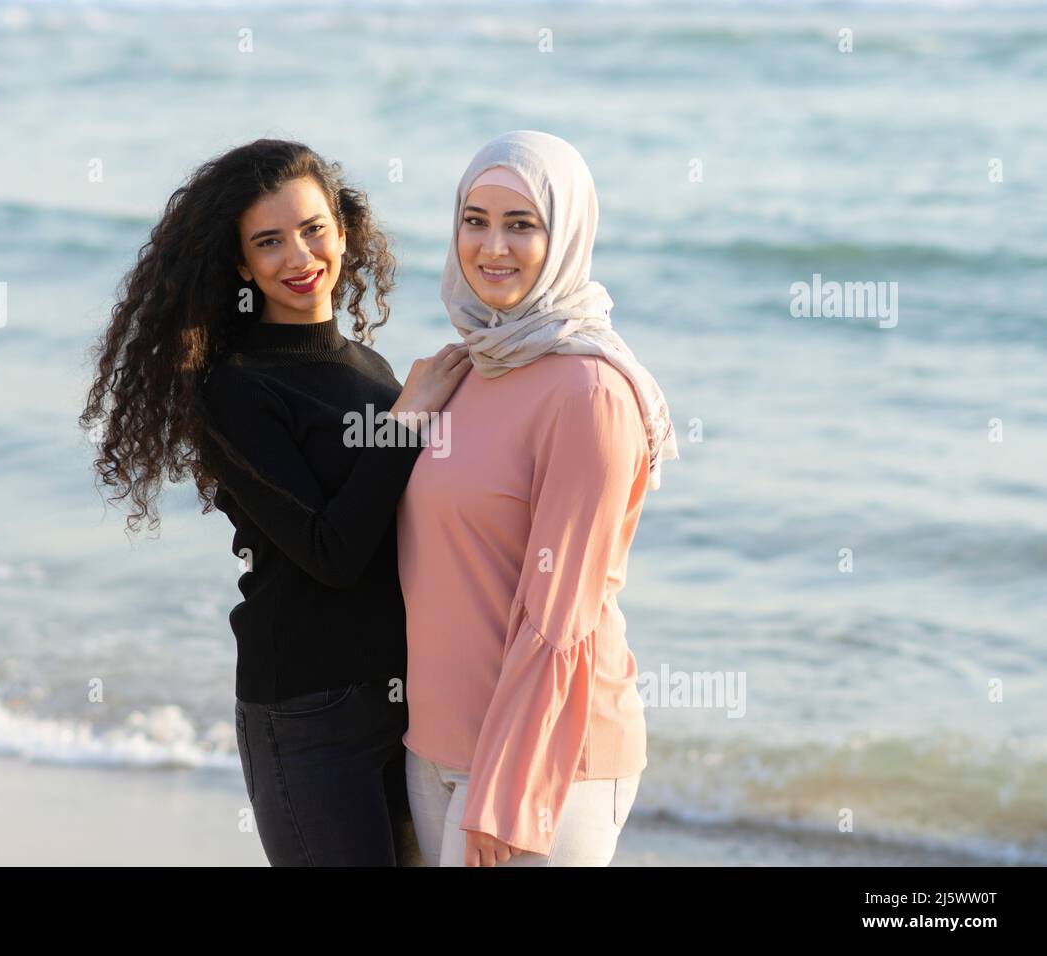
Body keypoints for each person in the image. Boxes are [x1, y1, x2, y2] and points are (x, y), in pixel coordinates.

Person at [81, 138, 469, 866]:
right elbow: (332, 553)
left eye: (313, 229)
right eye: (268, 242)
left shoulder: (370, 370)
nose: (300, 257)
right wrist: (409, 422)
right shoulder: (236, 389)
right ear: (240, 265)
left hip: (404, 706)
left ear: (344, 230)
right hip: (307, 714)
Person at [398, 130, 680, 867]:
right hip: (432, 748)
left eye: (522, 225)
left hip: (545, 762)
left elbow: (559, 616)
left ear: (566, 236)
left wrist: (508, 789)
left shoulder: (591, 393)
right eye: (475, 219)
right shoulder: (468, 364)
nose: (492, 246)